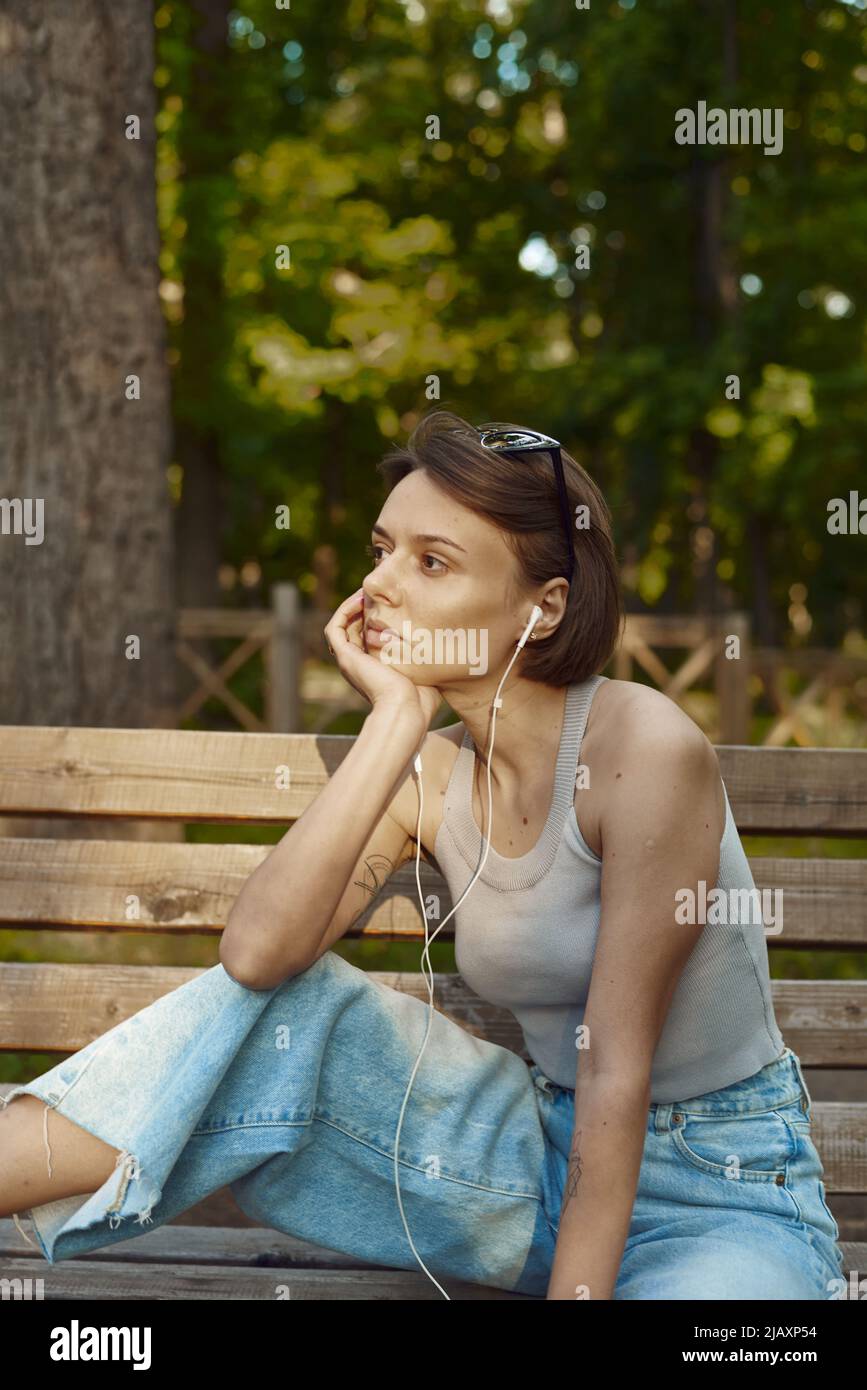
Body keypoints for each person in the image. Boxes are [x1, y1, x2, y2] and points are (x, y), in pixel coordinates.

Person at [0, 409, 844, 1300]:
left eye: (429, 561)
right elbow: (255, 957)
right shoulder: (431, 769)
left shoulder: (643, 748)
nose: (378, 585)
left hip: (725, 1191)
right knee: (300, 1010)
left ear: (543, 604)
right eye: (381, 549)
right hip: (532, 1164)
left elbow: (613, 1066)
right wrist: (392, 722)